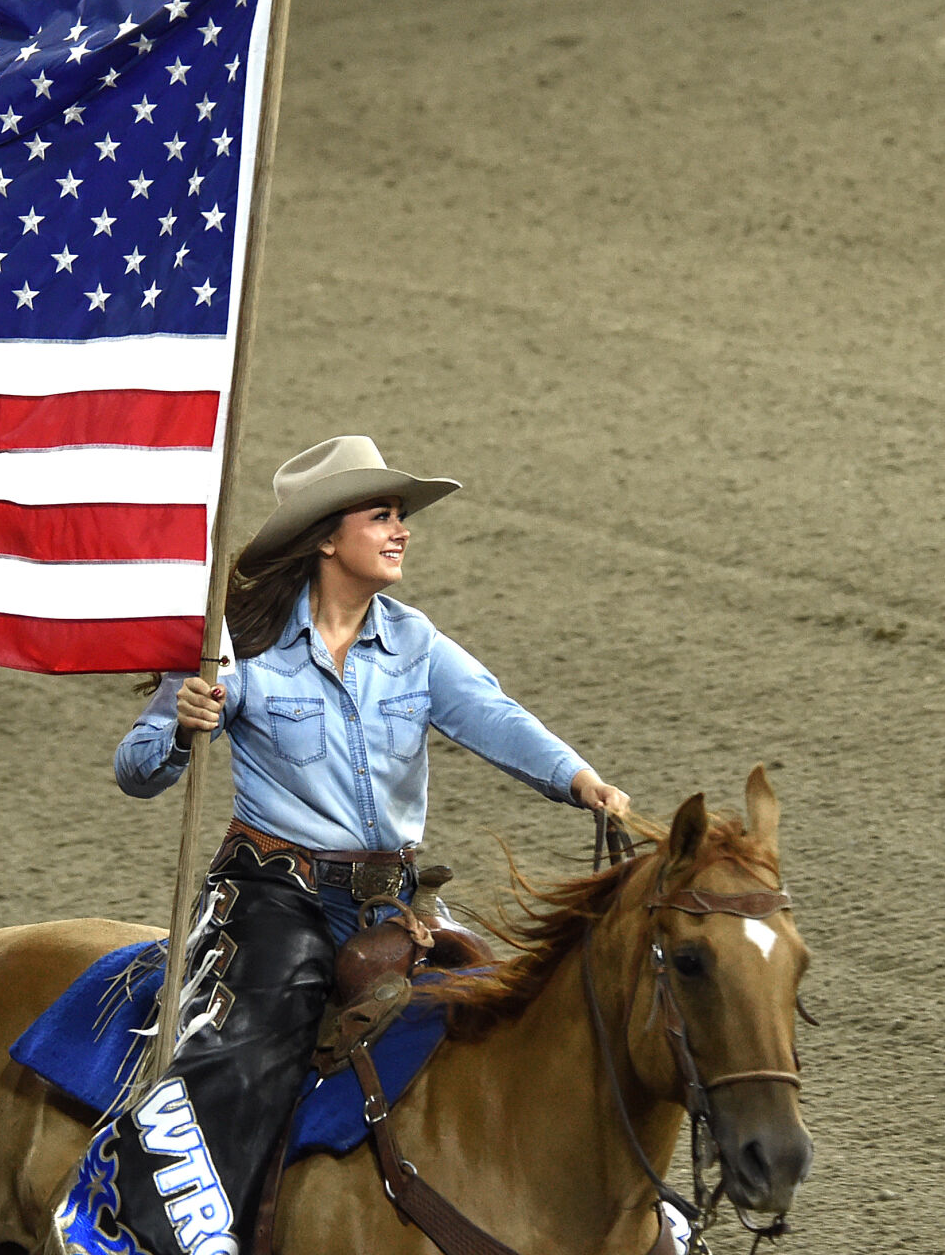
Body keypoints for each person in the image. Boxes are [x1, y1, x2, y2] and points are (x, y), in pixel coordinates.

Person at [49, 435, 629, 1255]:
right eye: (381, 515)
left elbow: (494, 716)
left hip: (392, 903)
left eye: (399, 516)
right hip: (271, 898)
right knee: (245, 1055)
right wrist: (180, 728)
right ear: (327, 538)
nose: (401, 530)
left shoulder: (416, 644)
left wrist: (580, 780)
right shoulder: (237, 648)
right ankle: (138, 1232)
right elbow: (135, 770)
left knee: (500, 1018)